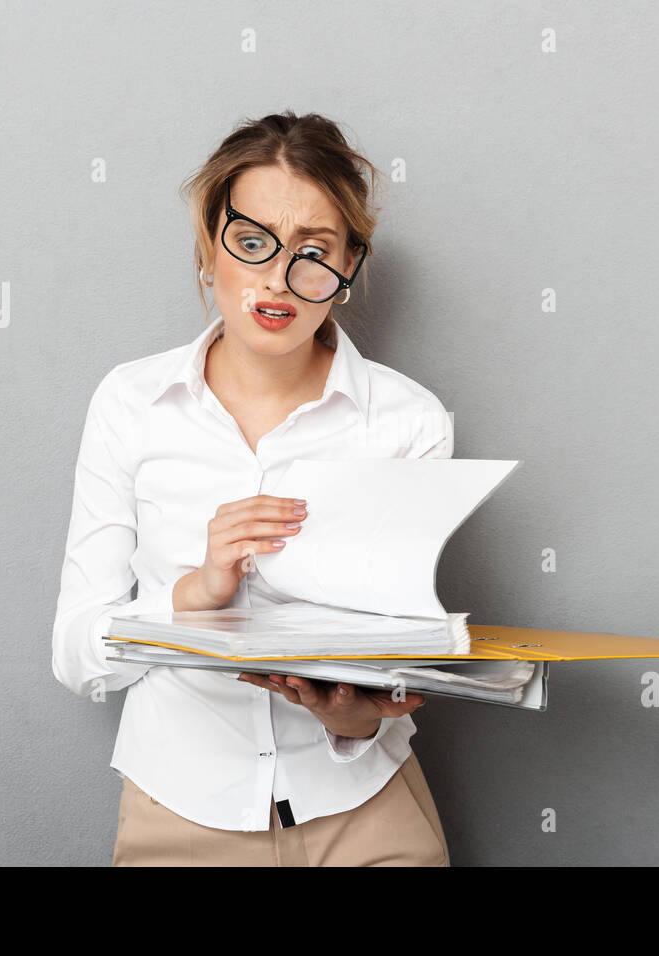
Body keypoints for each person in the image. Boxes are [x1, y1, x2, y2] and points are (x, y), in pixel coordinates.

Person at [51, 111, 454, 866]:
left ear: (348, 269)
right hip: (179, 812)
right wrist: (193, 595)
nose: (278, 277)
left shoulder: (409, 421)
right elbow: (76, 652)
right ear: (211, 245)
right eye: (252, 240)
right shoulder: (129, 403)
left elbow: (397, 660)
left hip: (363, 806)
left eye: (314, 253)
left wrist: (355, 713)